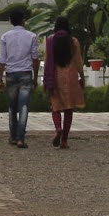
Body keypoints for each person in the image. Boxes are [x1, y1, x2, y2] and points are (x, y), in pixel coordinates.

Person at [0, 3, 40, 147]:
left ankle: (13, 136)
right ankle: (21, 138)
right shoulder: (32, 36)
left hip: (10, 74)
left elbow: (2, 59)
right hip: (26, 74)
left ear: (11, 21)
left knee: (12, 107)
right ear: (23, 20)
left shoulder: (5, 37)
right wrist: (35, 78)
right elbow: (35, 59)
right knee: (24, 107)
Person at [42, 15, 86, 148]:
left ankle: (58, 129)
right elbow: (78, 61)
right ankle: (64, 140)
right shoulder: (73, 42)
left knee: (55, 107)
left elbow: (47, 60)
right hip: (70, 77)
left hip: (55, 77)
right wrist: (82, 77)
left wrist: (45, 80)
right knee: (68, 109)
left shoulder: (50, 41)